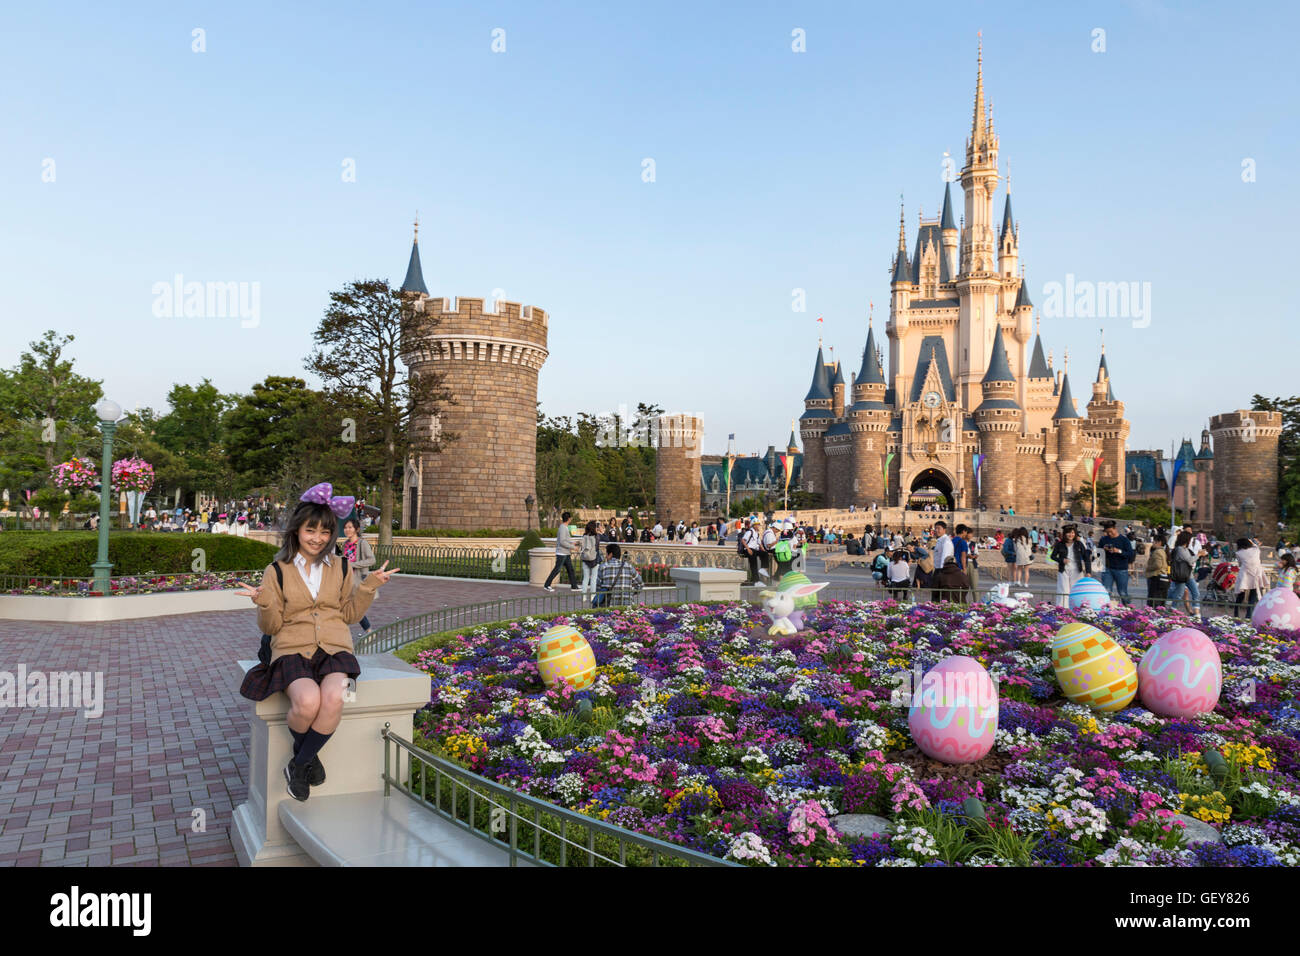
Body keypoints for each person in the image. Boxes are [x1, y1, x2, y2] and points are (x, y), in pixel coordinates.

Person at [237, 489, 399, 802]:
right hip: (292, 649)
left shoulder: (340, 567)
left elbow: (349, 615)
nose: (317, 538)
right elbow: (270, 627)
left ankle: (297, 765)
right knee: (308, 703)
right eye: (310, 530)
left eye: (325, 531)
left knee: (336, 697)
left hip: (335, 648)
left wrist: (368, 587)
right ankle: (307, 757)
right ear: (296, 530)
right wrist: (265, 602)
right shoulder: (277, 571)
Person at [338, 517, 377, 633]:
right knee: (346, 606)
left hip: (358, 581)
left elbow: (371, 560)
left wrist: (353, 564)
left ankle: (369, 631)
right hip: (346, 581)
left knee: (354, 607)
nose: (347, 530)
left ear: (357, 529)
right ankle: (368, 631)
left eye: (350, 527)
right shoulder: (345, 544)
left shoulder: (362, 543)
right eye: (345, 527)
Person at [1051, 523, 1092, 607]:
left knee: (1076, 590)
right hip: (1064, 570)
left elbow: (1086, 558)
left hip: (1077, 570)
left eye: (1073, 533)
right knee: (1063, 590)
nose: (1071, 535)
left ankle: (1077, 607)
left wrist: (1088, 571)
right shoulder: (1059, 544)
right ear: (1065, 533)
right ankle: (1062, 609)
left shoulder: (1079, 544)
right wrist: (1062, 560)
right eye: (1069, 533)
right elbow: (1053, 556)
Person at [593, 543, 644, 607]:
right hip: (627, 605)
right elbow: (640, 584)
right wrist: (630, 592)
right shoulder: (629, 567)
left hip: (608, 605)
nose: (606, 556)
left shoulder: (603, 567)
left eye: (606, 554)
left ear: (610, 554)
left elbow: (598, 587)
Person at [1097, 521, 1134, 606]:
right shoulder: (1103, 539)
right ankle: (1106, 609)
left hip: (1121, 569)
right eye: (1107, 532)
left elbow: (1130, 554)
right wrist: (1103, 549)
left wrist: (1119, 551)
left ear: (1115, 529)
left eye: (1111, 531)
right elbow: (1098, 554)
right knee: (1106, 591)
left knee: (1122, 592)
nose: (1109, 534)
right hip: (1107, 568)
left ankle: (1128, 608)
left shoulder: (1124, 540)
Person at [543, 511, 580, 592]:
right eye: (571, 518)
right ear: (569, 519)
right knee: (557, 570)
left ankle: (574, 586)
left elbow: (565, 539)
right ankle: (547, 585)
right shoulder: (563, 528)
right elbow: (562, 542)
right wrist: (573, 547)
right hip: (562, 553)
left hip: (566, 553)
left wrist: (572, 542)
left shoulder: (564, 527)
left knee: (570, 570)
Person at [1167, 529, 1201, 616]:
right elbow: (1190, 560)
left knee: (1196, 593)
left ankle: (1197, 614)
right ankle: (1172, 612)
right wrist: (1199, 554)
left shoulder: (1185, 549)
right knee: (1179, 595)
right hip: (1182, 575)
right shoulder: (1179, 549)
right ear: (1186, 540)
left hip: (1188, 575)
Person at [1233, 537, 1269, 619]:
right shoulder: (1256, 550)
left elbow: (1239, 564)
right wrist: (1251, 542)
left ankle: (1236, 613)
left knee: (1241, 594)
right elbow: (1255, 545)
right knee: (1253, 595)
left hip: (1245, 573)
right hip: (1256, 573)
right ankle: (1248, 615)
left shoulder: (1239, 553)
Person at [578, 520, 602, 599]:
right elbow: (598, 546)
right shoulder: (596, 536)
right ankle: (592, 596)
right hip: (594, 558)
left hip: (585, 558)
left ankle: (583, 596)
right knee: (593, 578)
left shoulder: (584, 536)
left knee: (585, 578)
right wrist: (600, 531)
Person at [1145, 537, 1169, 608]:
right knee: (1160, 600)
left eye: (1154, 542)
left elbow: (1158, 565)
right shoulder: (1163, 551)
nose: (1153, 544)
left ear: (1159, 542)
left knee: (1154, 600)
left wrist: (1148, 568)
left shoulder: (1157, 552)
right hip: (1162, 577)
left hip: (1156, 576)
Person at [740, 520, 762, 585]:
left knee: (755, 564)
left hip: (754, 550)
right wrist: (748, 549)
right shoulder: (749, 532)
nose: (758, 526)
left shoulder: (756, 533)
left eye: (758, 524)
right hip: (749, 550)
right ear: (754, 525)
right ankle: (756, 580)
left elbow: (759, 543)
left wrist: (763, 550)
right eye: (757, 525)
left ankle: (754, 579)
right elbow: (743, 540)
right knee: (753, 565)